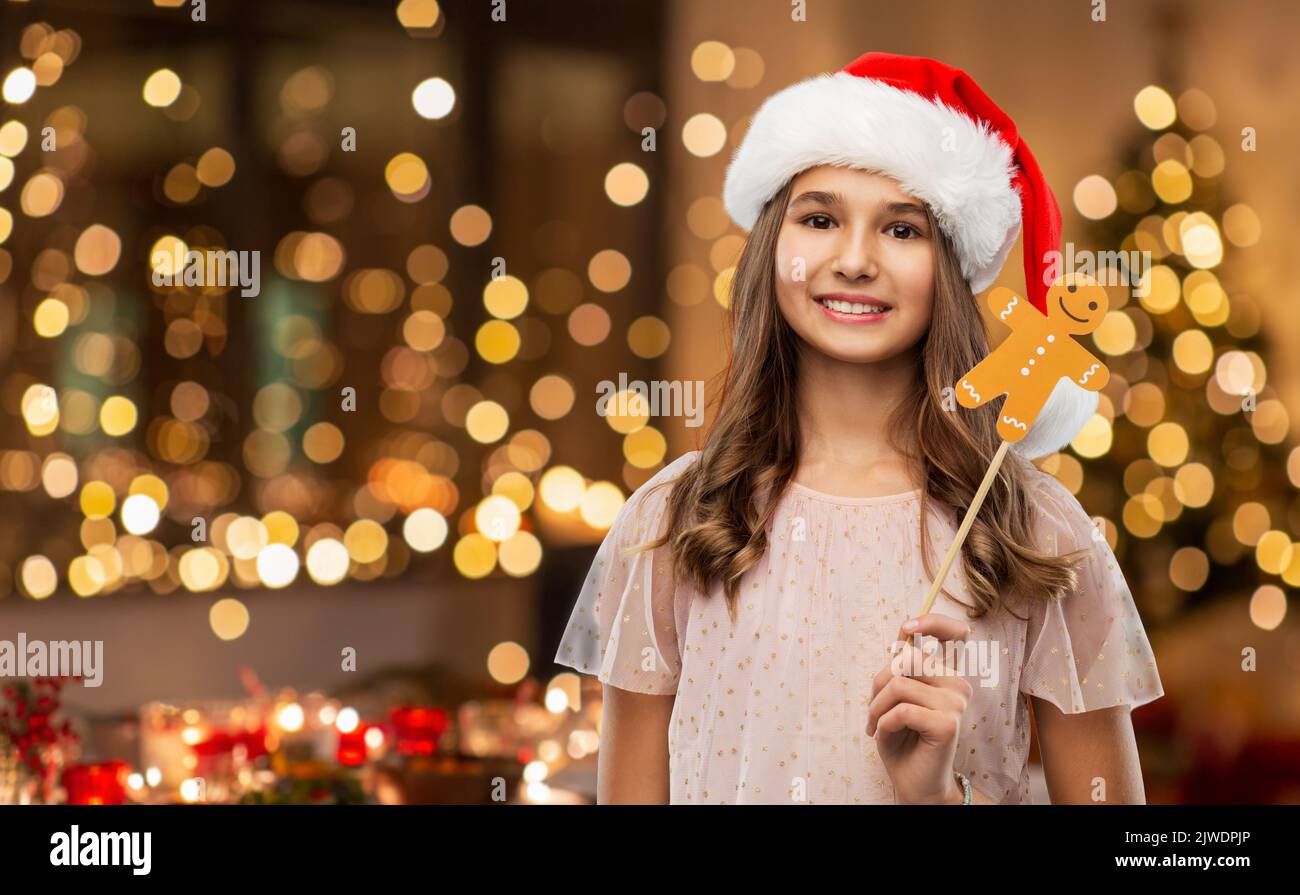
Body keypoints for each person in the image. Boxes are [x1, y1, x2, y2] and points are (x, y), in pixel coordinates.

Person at [553, 52, 1163, 805]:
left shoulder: (1034, 530)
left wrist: (937, 798)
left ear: (948, 265)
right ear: (774, 246)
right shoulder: (673, 520)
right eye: (819, 219)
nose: (853, 259)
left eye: (901, 229)